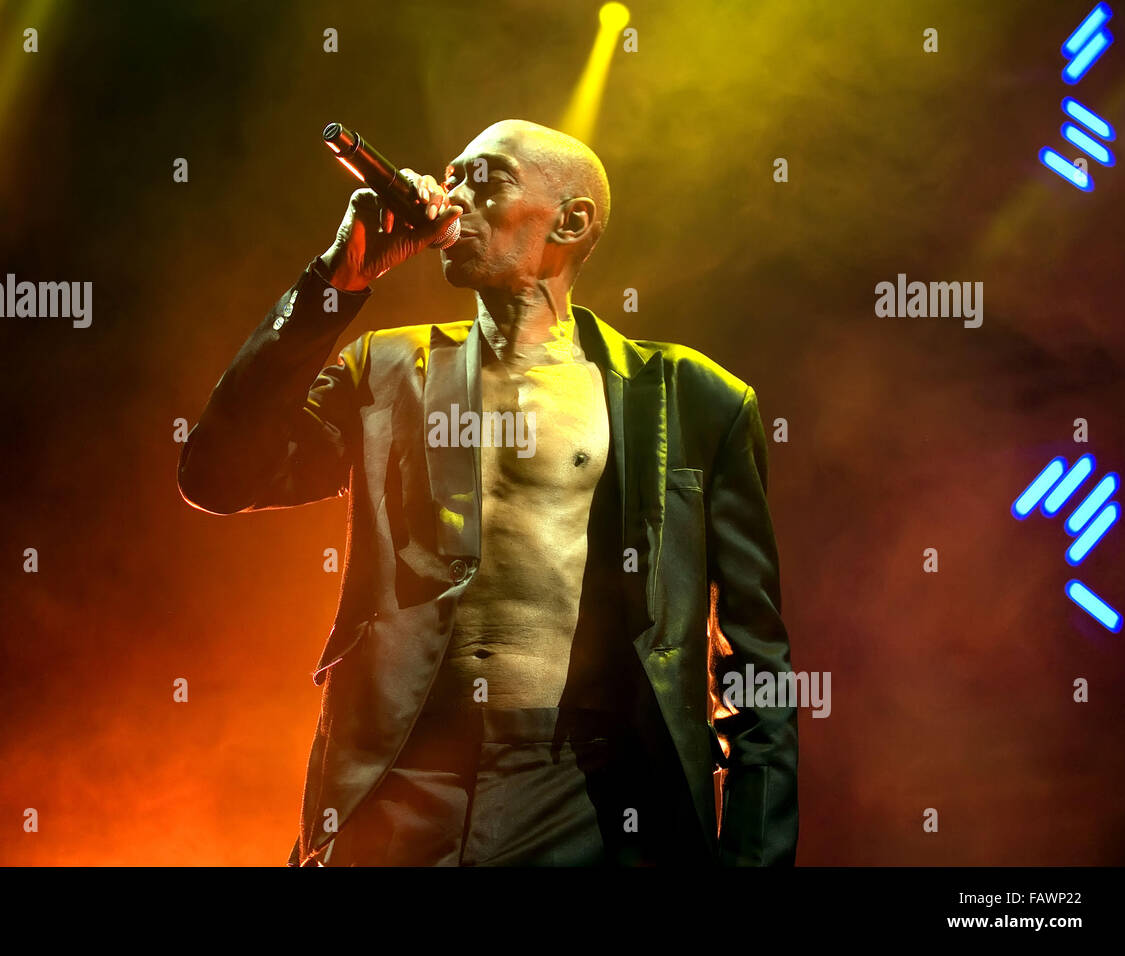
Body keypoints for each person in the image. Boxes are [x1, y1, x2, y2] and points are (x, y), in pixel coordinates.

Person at [177, 119, 798, 866]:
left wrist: (757, 860)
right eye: (452, 173)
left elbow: (755, 662)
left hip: (586, 790)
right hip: (400, 780)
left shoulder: (693, 398)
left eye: (487, 178)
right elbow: (219, 476)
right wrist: (335, 283)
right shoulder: (385, 369)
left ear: (570, 221)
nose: (452, 196)